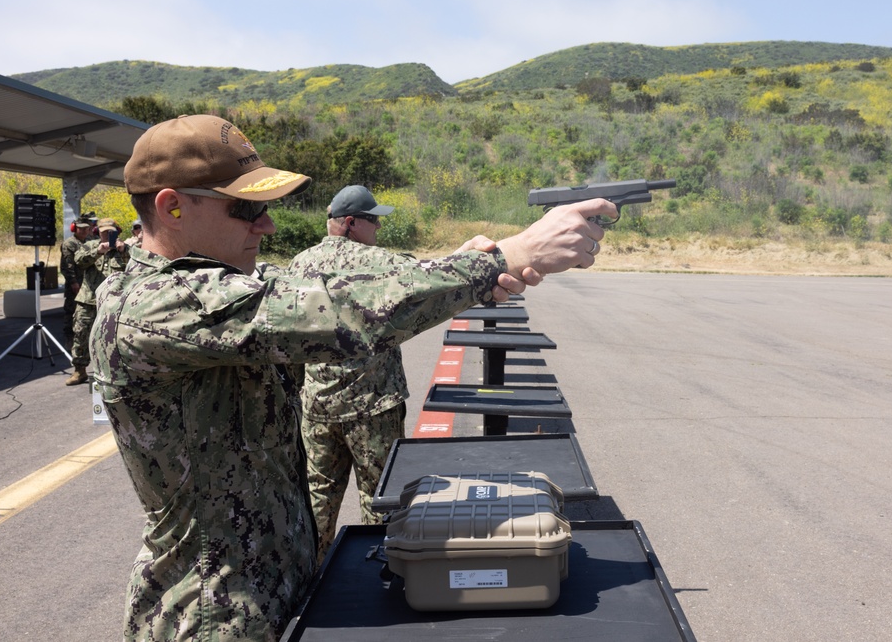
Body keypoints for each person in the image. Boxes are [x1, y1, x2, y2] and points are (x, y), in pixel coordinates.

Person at [91, 114, 612, 641]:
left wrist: (451, 267)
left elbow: (343, 280)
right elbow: (338, 310)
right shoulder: (151, 305)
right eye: (246, 209)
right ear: (172, 206)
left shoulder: (222, 284)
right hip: (213, 616)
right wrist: (509, 255)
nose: (266, 226)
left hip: (274, 588)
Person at [288, 186, 426, 560]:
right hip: (373, 406)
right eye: (373, 220)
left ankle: (309, 580)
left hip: (318, 407)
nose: (378, 227)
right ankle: (374, 579)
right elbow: (426, 282)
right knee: (381, 496)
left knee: (317, 497)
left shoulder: (299, 263)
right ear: (351, 223)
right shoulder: (378, 261)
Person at [65, 217, 129, 385]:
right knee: (81, 333)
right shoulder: (89, 246)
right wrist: (98, 252)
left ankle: (115, 373)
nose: (107, 235)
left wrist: (124, 251)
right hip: (89, 300)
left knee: (115, 338)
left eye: (111, 232)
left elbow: (136, 268)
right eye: (104, 232)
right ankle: (79, 370)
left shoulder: (125, 249)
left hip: (114, 302)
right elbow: (79, 261)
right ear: (97, 233)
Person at [59, 216, 93, 348]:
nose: (84, 231)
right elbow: (67, 266)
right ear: (74, 228)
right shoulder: (69, 244)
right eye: (81, 229)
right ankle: (69, 338)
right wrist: (73, 282)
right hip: (76, 283)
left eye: (86, 228)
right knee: (71, 310)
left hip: (89, 282)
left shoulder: (90, 241)